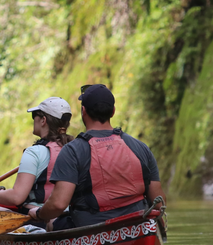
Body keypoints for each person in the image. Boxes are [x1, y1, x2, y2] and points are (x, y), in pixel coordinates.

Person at [27, 84, 165, 231]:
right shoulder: (140, 147)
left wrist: (40, 213)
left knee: (52, 221)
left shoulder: (72, 151)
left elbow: (58, 205)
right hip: (137, 226)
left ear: (83, 111)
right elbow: (158, 203)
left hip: (91, 229)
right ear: (113, 111)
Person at [0, 97, 75, 216]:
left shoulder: (34, 152)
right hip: (69, 214)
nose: (33, 120)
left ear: (43, 120)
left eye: (34, 115)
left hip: (37, 216)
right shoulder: (74, 149)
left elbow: (17, 197)